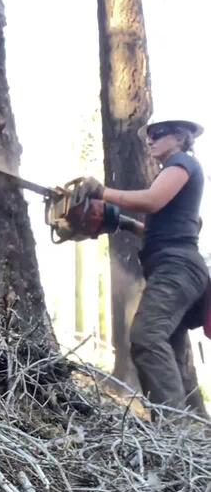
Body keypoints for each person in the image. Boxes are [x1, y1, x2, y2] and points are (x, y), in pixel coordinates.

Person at [86, 118, 209, 415]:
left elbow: (152, 201)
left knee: (146, 336)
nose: (150, 139)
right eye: (149, 135)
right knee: (171, 346)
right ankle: (195, 429)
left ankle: (171, 431)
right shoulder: (176, 171)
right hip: (176, 265)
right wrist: (123, 222)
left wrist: (102, 192)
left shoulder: (181, 163)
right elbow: (166, 229)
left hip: (177, 268)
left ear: (180, 137)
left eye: (158, 134)